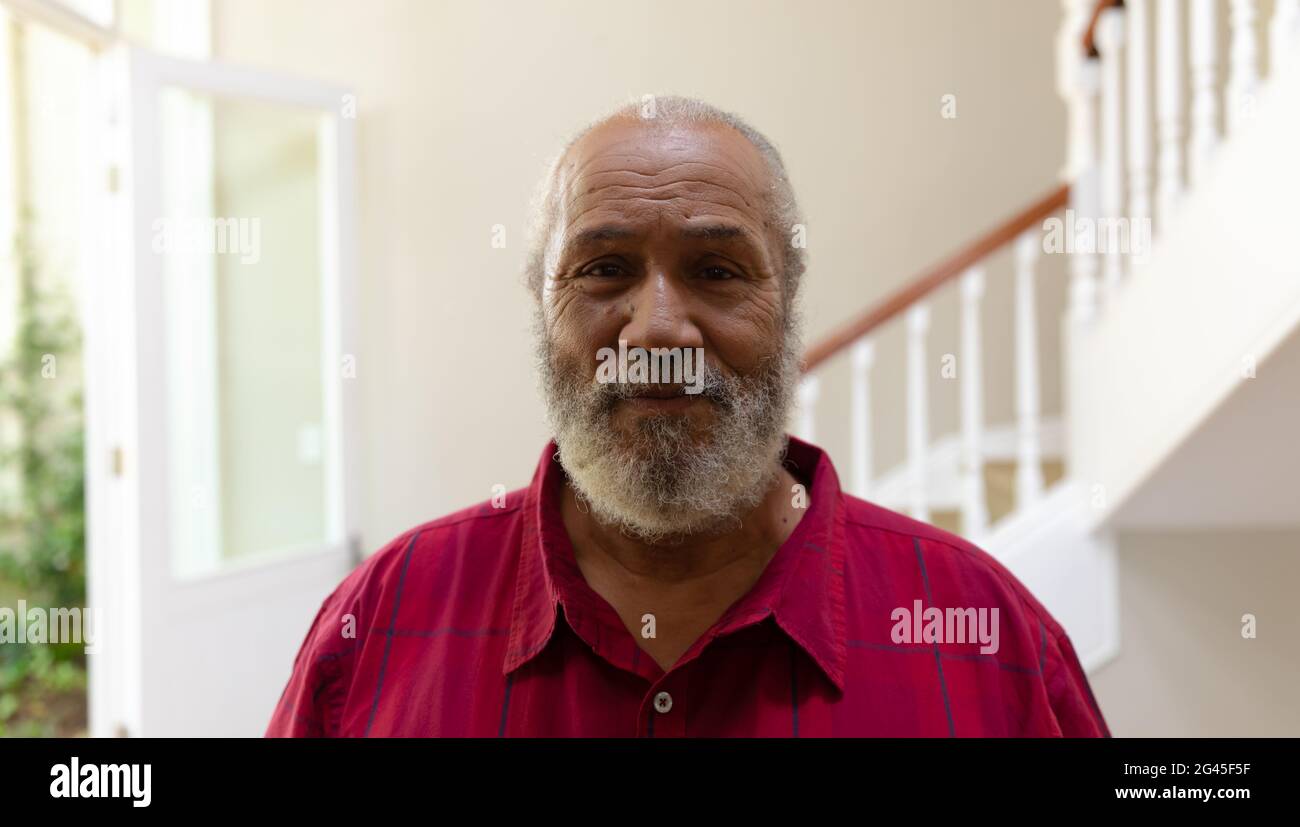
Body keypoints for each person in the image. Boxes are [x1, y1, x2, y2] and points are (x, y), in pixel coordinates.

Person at [266, 96, 1109, 737]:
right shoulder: (378, 624)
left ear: (788, 301)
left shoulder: (990, 640)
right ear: (541, 305)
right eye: (603, 269)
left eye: (716, 268)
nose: (659, 325)